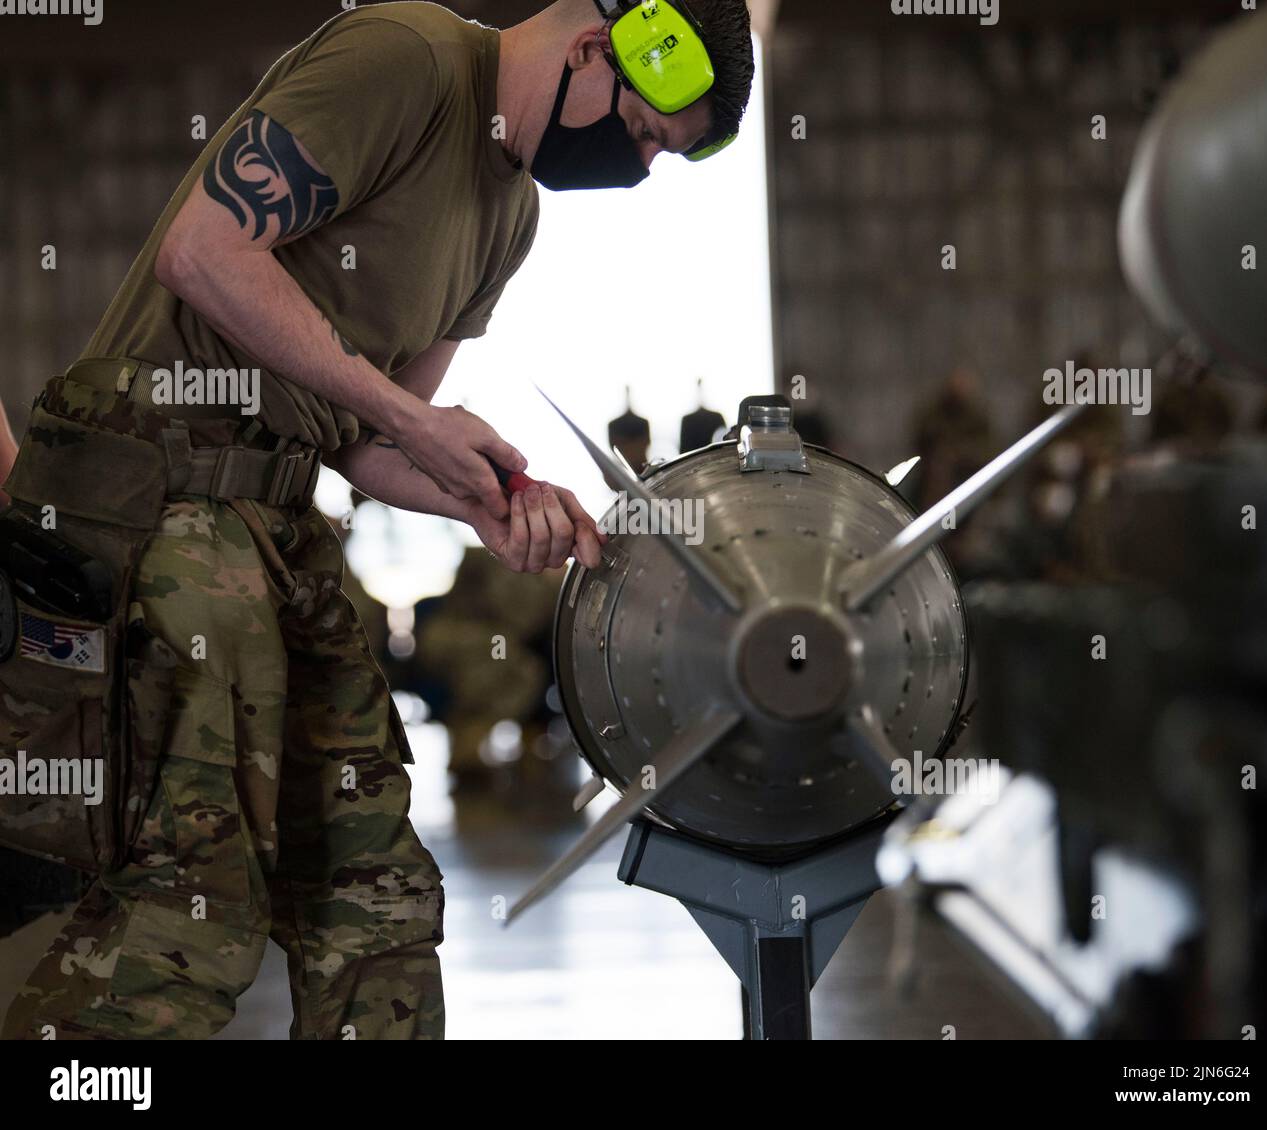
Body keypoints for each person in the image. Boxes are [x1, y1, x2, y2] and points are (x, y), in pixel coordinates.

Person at [1, 0, 754, 1040]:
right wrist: (413, 415)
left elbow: (362, 435)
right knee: (190, 897)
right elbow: (204, 252)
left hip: (271, 511)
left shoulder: (511, 218)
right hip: (151, 484)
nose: (635, 166)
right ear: (593, 48)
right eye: (640, 134)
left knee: (374, 891)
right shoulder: (403, 60)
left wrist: (498, 504)